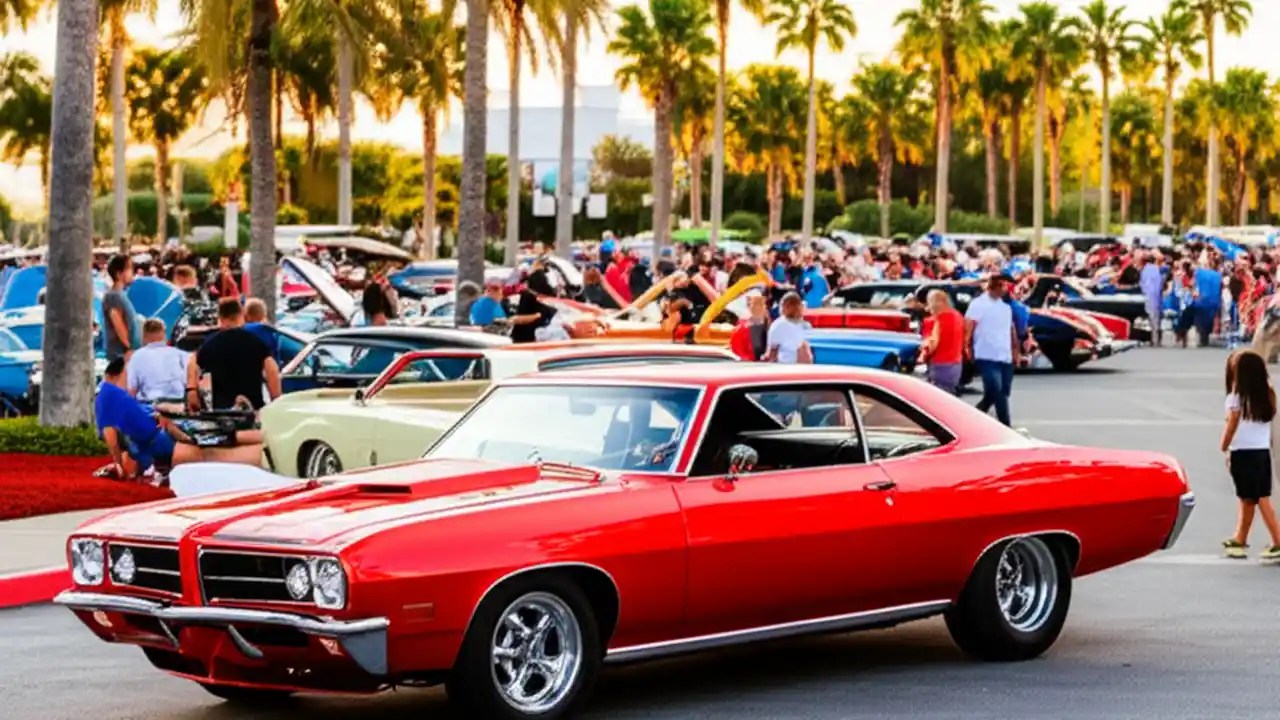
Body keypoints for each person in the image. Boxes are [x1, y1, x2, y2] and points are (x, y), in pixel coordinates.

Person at [1220, 350, 1280, 560]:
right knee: (1250, 498)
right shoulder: (1267, 395)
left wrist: (1224, 445)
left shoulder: (1235, 399)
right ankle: (1240, 538)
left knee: (1256, 498)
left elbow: (1232, 423)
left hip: (1243, 453)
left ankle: (1278, 540)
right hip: (1261, 452)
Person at [187, 298, 282, 411]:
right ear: (241, 314)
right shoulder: (255, 341)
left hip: (222, 411)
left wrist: (192, 391)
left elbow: (193, 363)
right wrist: (276, 400)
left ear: (220, 318)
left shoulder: (210, 344)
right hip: (253, 409)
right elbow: (272, 369)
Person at [96, 357, 176, 483]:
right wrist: (118, 464)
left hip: (151, 441)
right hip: (154, 441)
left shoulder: (112, 394)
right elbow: (109, 430)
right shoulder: (110, 394)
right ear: (116, 375)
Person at [965, 274, 1020, 426]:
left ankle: (973, 419)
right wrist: (967, 348)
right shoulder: (978, 304)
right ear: (996, 286)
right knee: (997, 391)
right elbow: (969, 327)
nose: (1007, 290)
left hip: (1004, 355)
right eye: (1005, 286)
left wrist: (1015, 351)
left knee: (998, 393)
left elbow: (1011, 330)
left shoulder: (1005, 307)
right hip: (986, 354)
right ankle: (1005, 425)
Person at [127, 319, 188, 404]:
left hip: (151, 406)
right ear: (164, 334)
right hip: (179, 404)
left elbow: (131, 391)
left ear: (144, 336)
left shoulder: (136, 357)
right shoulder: (181, 355)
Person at [923, 290, 964, 395]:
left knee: (936, 397)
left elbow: (932, 344)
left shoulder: (934, 320)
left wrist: (923, 354)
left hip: (940, 364)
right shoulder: (958, 316)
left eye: (930, 302)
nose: (928, 307)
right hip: (956, 363)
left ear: (940, 302)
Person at [103, 253, 142, 362]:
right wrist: (128, 348)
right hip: (120, 354)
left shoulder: (120, 294)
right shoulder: (113, 296)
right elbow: (118, 323)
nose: (132, 272)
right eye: (129, 268)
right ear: (119, 274)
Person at [764, 292, 813, 364]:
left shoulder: (806, 325)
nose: (796, 308)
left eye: (797, 305)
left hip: (806, 366)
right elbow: (772, 352)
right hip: (785, 365)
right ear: (785, 307)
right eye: (792, 305)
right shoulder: (778, 326)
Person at [729, 290, 771, 361]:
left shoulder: (771, 328)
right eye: (755, 305)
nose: (758, 308)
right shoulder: (740, 330)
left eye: (761, 304)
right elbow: (739, 354)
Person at [1139, 251, 1164, 346]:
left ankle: (1153, 339)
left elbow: (1142, 284)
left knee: (1150, 318)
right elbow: (1160, 284)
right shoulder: (1157, 269)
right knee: (1156, 318)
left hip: (1148, 296)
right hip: (1156, 296)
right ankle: (1156, 339)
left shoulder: (1144, 270)